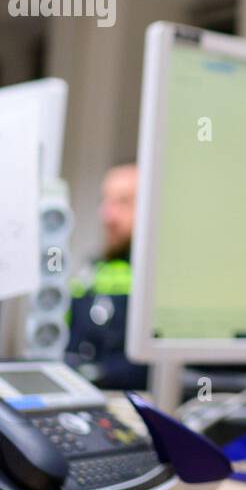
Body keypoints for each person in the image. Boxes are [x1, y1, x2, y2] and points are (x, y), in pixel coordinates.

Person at [67, 162, 149, 389]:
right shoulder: (88, 274)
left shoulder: (163, 283)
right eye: (105, 201)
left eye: (124, 202)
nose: (107, 215)